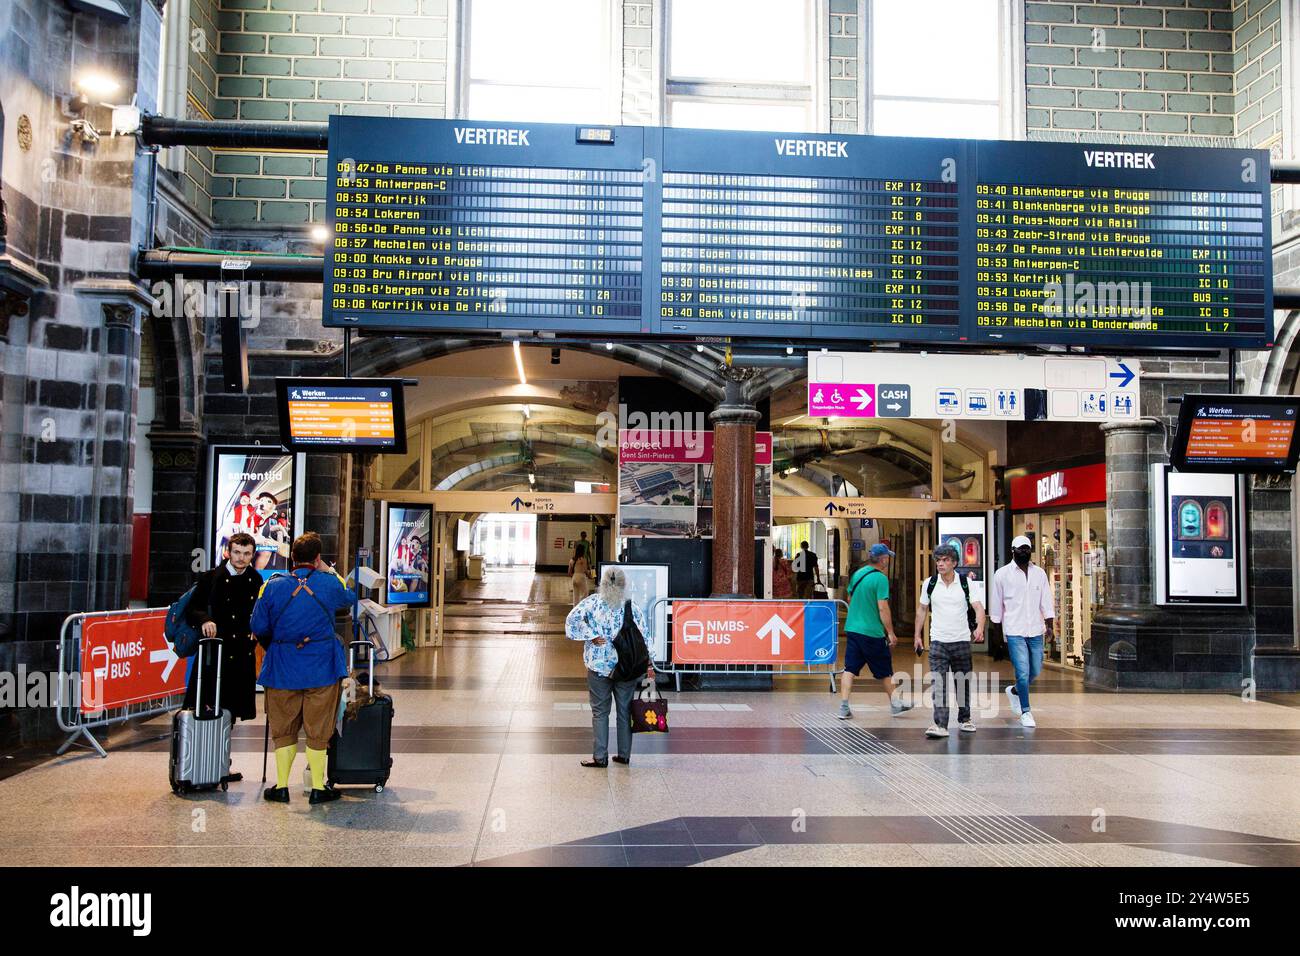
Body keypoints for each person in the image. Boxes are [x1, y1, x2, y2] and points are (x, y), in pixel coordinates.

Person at [250, 532, 357, 804]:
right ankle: (318, 788)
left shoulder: (272, 586)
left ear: (292, 558)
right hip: (321, 667)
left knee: (283, 726)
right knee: (319, 727)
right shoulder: (328, 583)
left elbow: (259, 625)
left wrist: (280, 643)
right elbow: (349, 597)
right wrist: (328, 571)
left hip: (283, 667)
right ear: (318, 558)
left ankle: (283, 786)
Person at [183, 533, 261, 776]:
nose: (241, 558)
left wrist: (257, 630)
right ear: (228, 551)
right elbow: (192, 609)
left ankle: (221, 763)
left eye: (247, 554)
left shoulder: (255, 579)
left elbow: (260, 612)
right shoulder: (211, 578)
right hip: (214, 652)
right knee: (206, 704)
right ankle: (199, 762)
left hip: (240, 654)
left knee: (230, 711)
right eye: (237, 552)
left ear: (252, 555)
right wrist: (205, 619)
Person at [565, 567, 654, 767]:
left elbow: (571, 622)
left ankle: (600, 757)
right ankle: (624, 755)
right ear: (624, 585)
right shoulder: (632, 608)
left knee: (600, 712)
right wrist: (650, 664)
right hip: (627, 668)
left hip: (598, 667)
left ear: (602, 584)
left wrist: (590, 635)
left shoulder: (592, 604)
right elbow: (645, 638)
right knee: (624, 711)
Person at [914, 544, 986, 739]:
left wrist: (980, 627)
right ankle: (940, 725)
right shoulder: (929, 583)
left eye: (945, 560)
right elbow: (922, 610)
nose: (941, 564)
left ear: (954, 563)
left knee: (962, 682)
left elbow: (978, 608)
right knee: (939, 684)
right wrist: (917, 635)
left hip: (961, 640)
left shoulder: (965, 583)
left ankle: (965, 718)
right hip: (938, 641)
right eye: (938, 560)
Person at [838, 543, 912, 719]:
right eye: (888, 558)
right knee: (884, 670)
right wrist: (891, 632)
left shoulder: (858, 574)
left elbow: (849, 597)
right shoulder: (880, 579)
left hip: (853, 629)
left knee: (849, 669)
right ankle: (895, 704)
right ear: (884, 559)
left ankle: (844, 707)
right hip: (872, 632)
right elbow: (882, 607)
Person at [987, 535, 1054, 729]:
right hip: (1014, 629)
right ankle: (1026, 711)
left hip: (1035, 629)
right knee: (1023, 671)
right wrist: (997, 636)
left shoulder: (1039, 573)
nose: (1024, 552)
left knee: (1035, 669)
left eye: (1027, 549)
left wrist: (1050, 625)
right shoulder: (1002, 574)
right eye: (1020, 549)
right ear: (1012, 551)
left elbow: (1046, 601)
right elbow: (997, 606)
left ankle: (1015, 691)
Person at [570, 536, 592, 604]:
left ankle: (575, 609)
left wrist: (575, 575)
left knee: (575, 595)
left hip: (574, 577)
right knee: (585, 594)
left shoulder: (572, 560)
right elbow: (585, 570)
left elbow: (569, 572)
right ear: (582, 551)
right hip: (581, 577)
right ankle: (581, 607)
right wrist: (590, 575)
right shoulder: (583, 559)